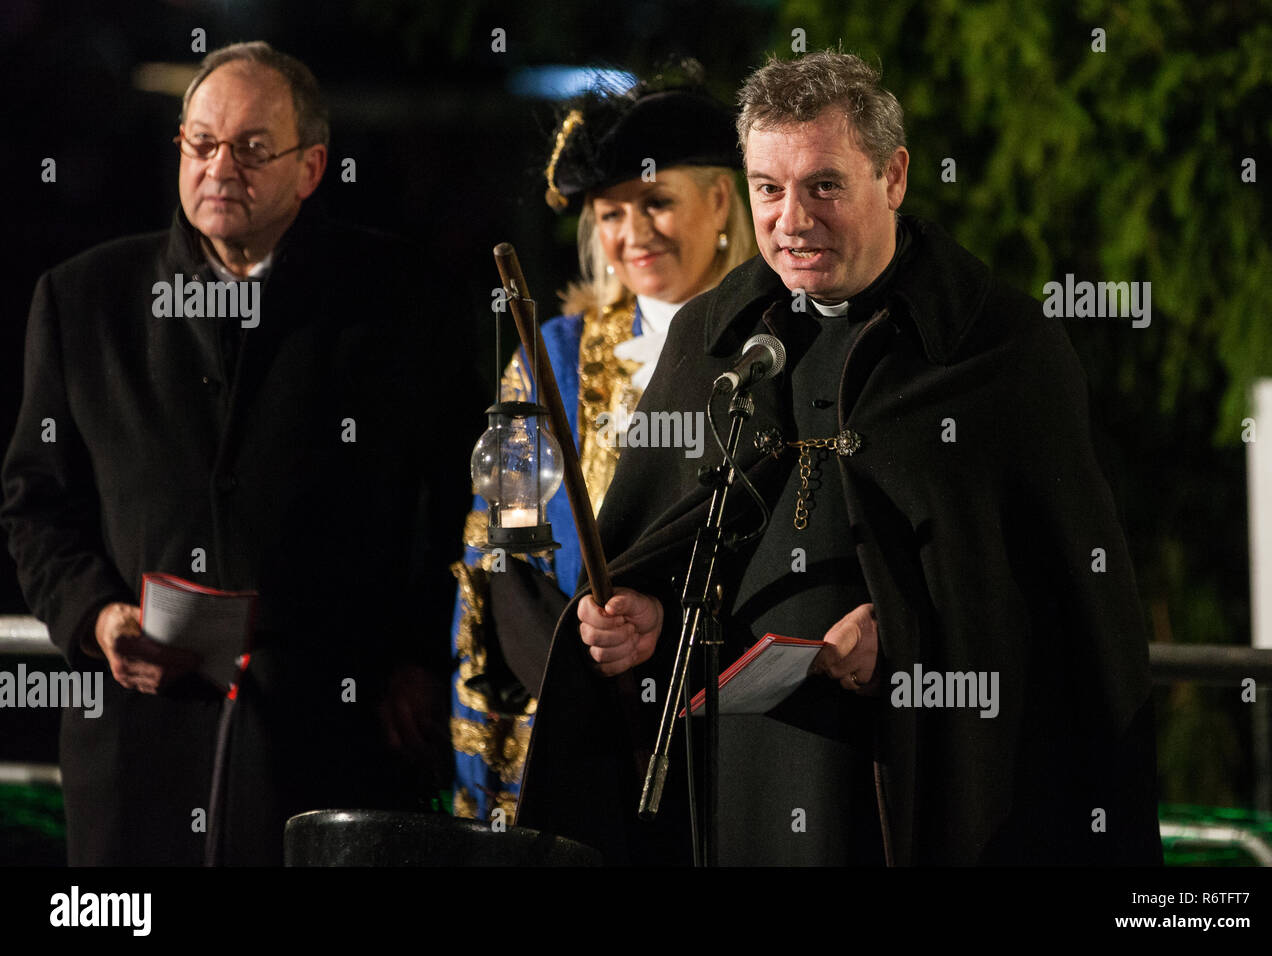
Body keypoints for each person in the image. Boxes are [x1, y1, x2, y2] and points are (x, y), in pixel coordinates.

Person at [516, 50, 1162, 865]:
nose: (791, 219)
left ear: (892, 177)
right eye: (769, 189)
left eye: (824, 185)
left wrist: (905, 632)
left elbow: (1060, 600)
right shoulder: (711, 337)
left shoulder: (995, 348)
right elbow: (659, 537)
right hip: (739, 779)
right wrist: (644, 613)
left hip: (916, 779)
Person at [1, 41, 472, 865]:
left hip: (331, 736)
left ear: (311, 166)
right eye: (202, 143)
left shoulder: (401, 302)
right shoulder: (83, 300)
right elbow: (37, 502)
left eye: (253, 148)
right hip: (136, 750)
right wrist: (93, 617)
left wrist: (420, 659)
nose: (221, 167)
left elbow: (452, 504)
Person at [450, 69, 756, 823]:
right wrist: (577, 664)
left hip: (731, 715)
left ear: (720, 201)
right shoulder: (549, 357)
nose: (634, 233)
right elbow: (502, 553)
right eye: (611, 213)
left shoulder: (772, 347)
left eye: (657, 202)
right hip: (584, 721)